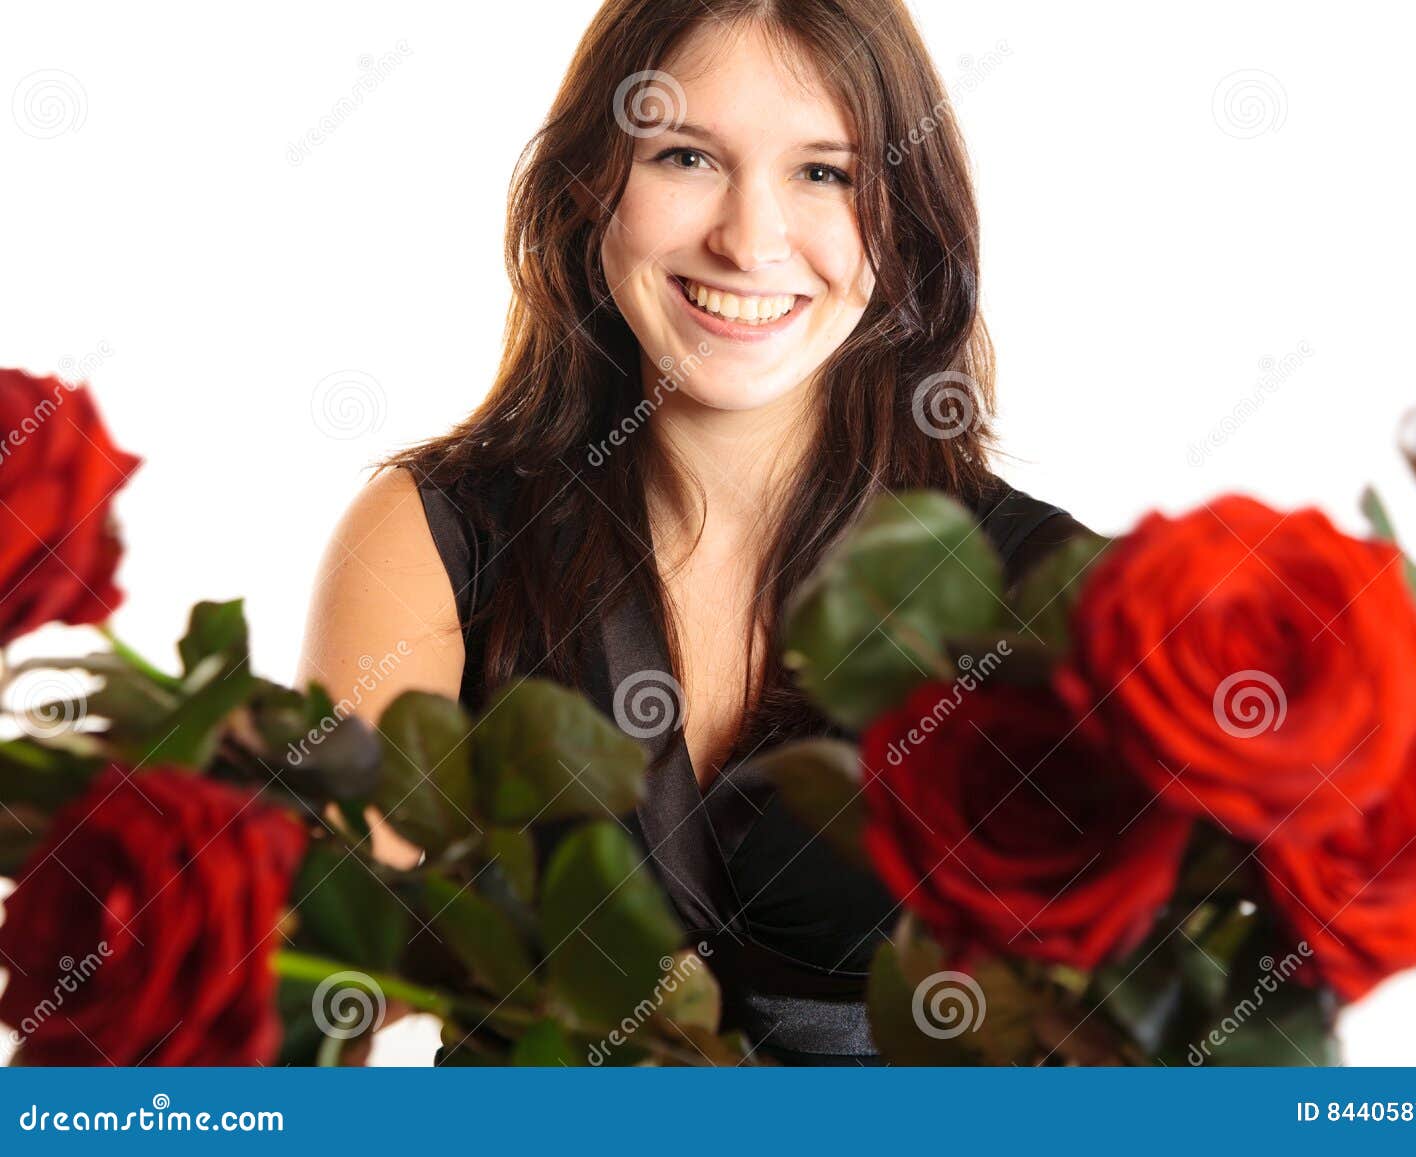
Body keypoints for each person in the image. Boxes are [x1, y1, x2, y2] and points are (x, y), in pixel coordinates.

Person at [297, 0, 1089, 1066]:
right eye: (684, 156)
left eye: (826, 172)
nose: (748, 240)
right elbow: (325, 981)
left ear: (907, 213)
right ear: (590, 188)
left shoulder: (1044, 592)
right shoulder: (435, 536)